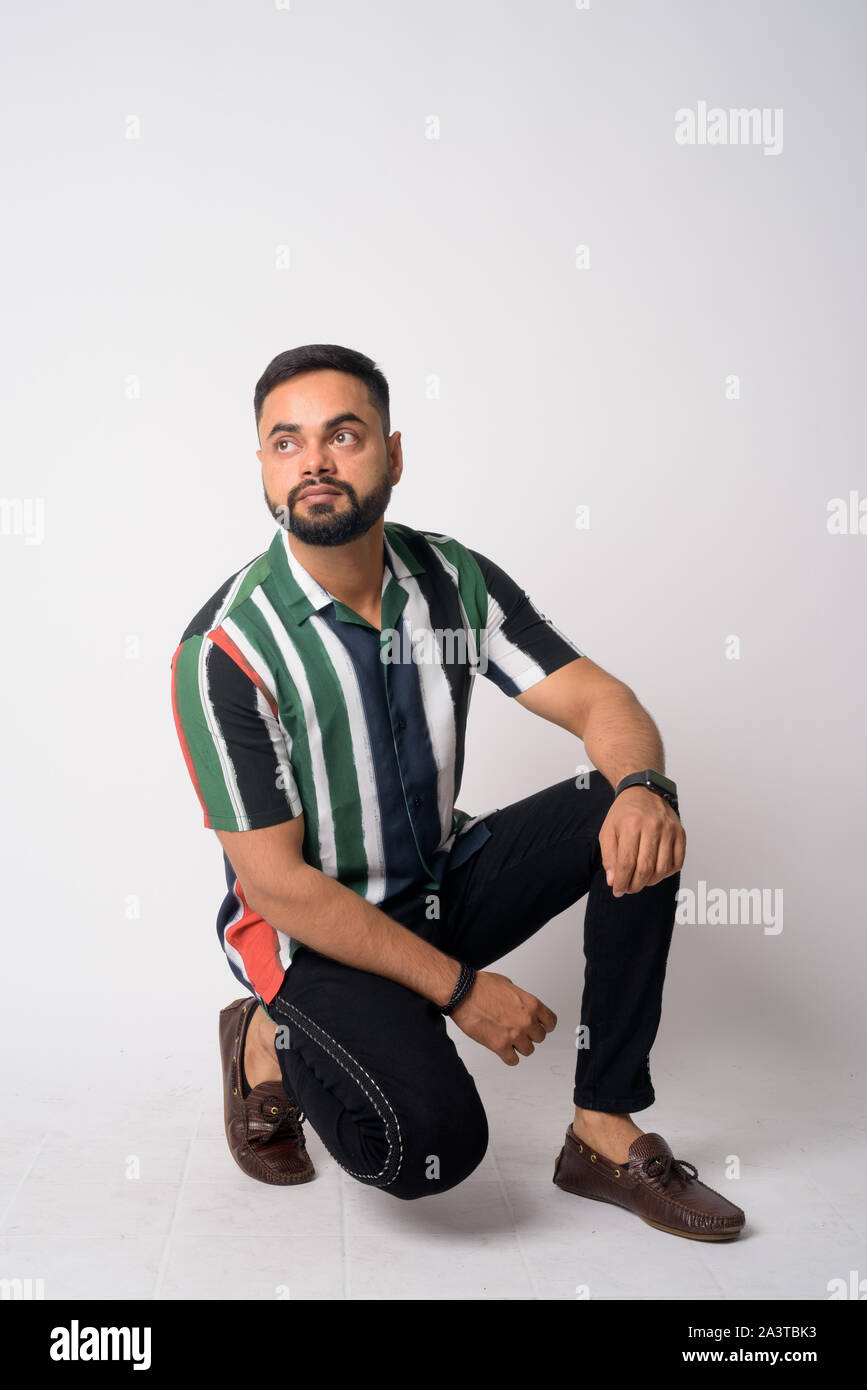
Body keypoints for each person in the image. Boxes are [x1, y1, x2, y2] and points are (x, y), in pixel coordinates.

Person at [170, 344, 745, 1240]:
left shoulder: (451, 579)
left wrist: (641, 783)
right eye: (286, 443)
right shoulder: (225, 651)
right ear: (262, 468)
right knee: (425, 1152)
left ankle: (602, 1124)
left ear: (392, 456)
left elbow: (602, 701)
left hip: (435, 889)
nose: (314, 461)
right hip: (315, 934)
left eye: (342, 435)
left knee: (629, 812)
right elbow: (277, 884)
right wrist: (460, 992)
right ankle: (265, 1029)